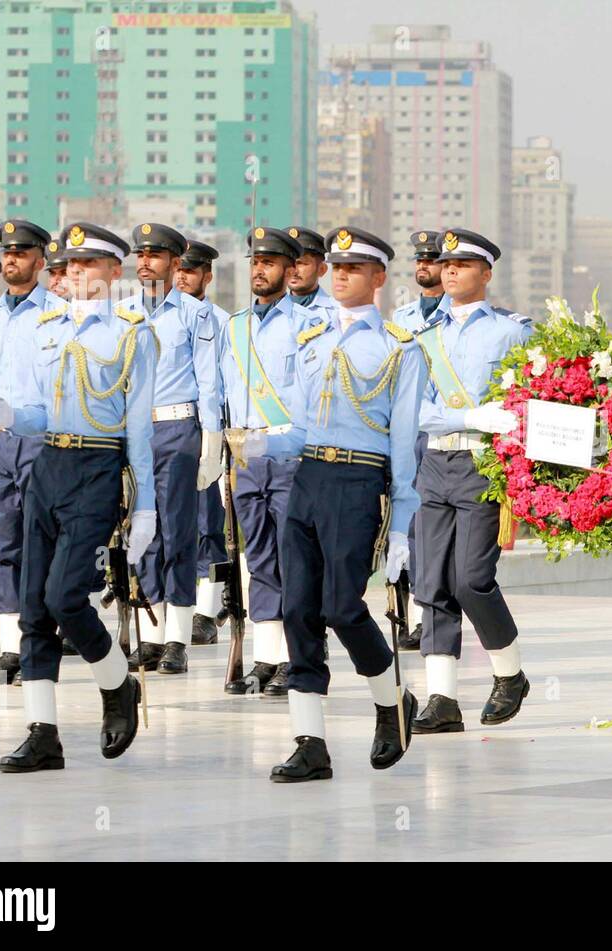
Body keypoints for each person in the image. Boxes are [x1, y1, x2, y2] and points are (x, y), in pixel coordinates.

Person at [0, 222, 157, 771]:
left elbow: (139, 430)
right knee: (33, 602)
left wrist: (147, 503)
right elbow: (39, 411)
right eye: (70, 266)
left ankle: (117, 684)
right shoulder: (45, 327)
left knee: (64, 596)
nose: (76, 274)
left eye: (88, 265)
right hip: (49, 463)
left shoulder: (133, 333)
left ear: (112, 271)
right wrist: (7, 415)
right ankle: (42, 733)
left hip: (98, 467)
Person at [269, 226, 427, 781]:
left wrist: (403, 525)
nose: (339, 276)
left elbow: (404, 443)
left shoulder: (399, 350)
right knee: (297, 609)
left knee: (342, 607)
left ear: (378, 278)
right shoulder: (310, 339)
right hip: (308, 475)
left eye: (353, 268)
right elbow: (299, 426)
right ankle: (309, 741)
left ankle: (391, 702)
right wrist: (254, 442)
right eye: (335, 267)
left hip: (359, 483)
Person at [410, 228, 533, 735]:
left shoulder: (513, 331)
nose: (452, 269)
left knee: (470, 579)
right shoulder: (422, 335)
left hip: (484, 466)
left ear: (486, 272)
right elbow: (411, 408)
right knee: (432, 582)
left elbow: (533, 395)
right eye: (446, 263)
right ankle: (442, 697)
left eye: (464, 263)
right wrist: (466, 419)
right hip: (434, 463)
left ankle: (509, 673)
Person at [219, 227, 324, 697]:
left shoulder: (305, 325)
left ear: (289, 268)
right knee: (257, 556)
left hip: (287, 457)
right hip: (245, 459)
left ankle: (299, 656)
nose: (260, 270)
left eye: (271, 262)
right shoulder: (234, 326)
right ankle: (266, 657)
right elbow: (220, 392)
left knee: (293, 557)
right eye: (255, 262)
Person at [0, 221, 67, 683]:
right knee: (2, 543)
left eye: (22, 252)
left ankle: (42, 635)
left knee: (41, 542)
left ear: (40, 261)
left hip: (43, 443)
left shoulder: (61, 315)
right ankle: (11, 644)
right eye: (7, 252)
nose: (11, 260)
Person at [119, 224, 222, 676]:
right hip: (135, 431)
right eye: (141, 254)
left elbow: (209, 382)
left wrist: (212, 442)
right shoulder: (122, 313)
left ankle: (177, 635)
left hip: (179, 427)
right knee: (142, 531)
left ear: (176, 263)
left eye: (156, 255)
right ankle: (152, 630)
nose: (145, 262)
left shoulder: (195, 316)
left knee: (179, 531)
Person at [391, 229, 451, 650]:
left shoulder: (457, 316)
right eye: (420, 260)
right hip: (408, 438)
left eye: (432, 260)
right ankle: (412, 616)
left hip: (445, 438)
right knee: (408, 529)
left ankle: (435, 613)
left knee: (438, 534)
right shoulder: (402, 321)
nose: (423, 267)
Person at [173, 239, 232, 646]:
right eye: (179, 269)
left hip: (207, 428)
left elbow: (225, 383)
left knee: (210, 522)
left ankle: (207, 611)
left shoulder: (222, 321)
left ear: (206, 276)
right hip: (169, 431)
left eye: (190, 271)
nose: (182, 277)